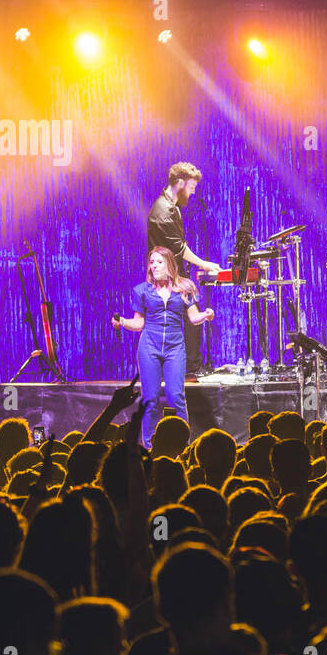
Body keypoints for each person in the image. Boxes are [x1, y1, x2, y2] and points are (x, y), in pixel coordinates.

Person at [114, 247, 215, 448]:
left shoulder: (185, 287)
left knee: (175, 395)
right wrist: (123, 322)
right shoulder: (142, 290)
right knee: (150, 398)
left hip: (174, 347)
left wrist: (206, 315)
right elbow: (139, 323)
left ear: (169, 264)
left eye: (159, 262)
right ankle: (150, 446)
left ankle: (183, 445)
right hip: (149, 347)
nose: (154, 266)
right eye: (152, 262)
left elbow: (194, 318)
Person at [147, 162, 222, 378]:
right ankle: (189, 368)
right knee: (187, 320)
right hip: (166, 278)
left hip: (175, 275)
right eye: (191, 187)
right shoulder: (163, 211)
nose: (193, 192)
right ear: (180, 183)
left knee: (193, 318)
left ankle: (192, 366)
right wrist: (205, 264)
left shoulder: (172, 206)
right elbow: (179, 249)